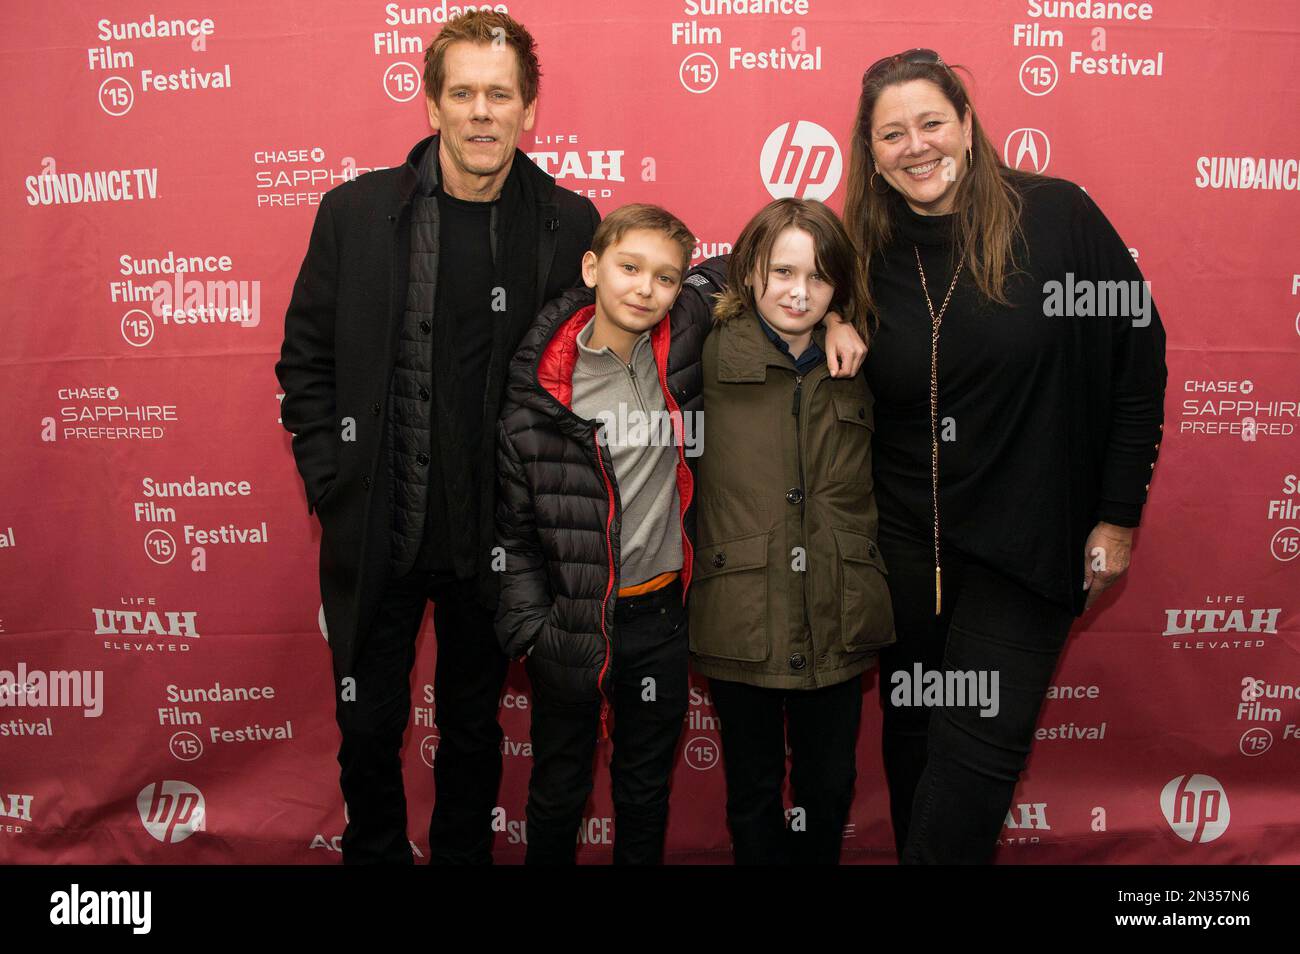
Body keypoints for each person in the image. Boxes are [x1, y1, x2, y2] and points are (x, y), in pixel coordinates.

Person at [274, 10, 599, 864]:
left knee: (472, 728)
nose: (482, 113)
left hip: (497, 536)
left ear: (529, 109)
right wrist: (331, 483)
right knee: (367, 725)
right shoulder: (355, 213)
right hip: (379, 525)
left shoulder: (570, 223)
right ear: (431, 105)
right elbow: (304, 363)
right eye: (463, 93)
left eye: (500, 95)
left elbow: (612, 354)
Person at [843, 49, 1168, 864]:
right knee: (915, 742)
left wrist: (1118, 515)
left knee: (975, 762)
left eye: (931, 123)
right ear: (871, 153)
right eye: (892, 134)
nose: (915, 146)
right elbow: (744, 285)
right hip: (904, 549)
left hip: (1026, 544)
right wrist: (826, 320)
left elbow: (1139, 361)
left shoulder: (1055, 216)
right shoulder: (858, 248)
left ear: (967, 124)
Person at [495, 205, 868, 864]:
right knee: (558, 791)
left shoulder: (685, 335)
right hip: (575, 620)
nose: (645, 288)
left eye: (665, 277)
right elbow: (513, 526)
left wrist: (836, 315)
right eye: (629, 269)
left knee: (644, 795)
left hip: (663, 618)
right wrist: (533, 628)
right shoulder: (542, 386)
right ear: (592, 267)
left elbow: (767, 265)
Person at [687, 198, 893, 865]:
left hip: (838, 608)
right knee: (751, 790)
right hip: (740, 611)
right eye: (780, 272)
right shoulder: (705, 346)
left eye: (818, 278)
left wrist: (842, 319)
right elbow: (671, 278)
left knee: (828, 786)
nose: (798, 292)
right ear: (750, 272)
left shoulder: (863, 360)